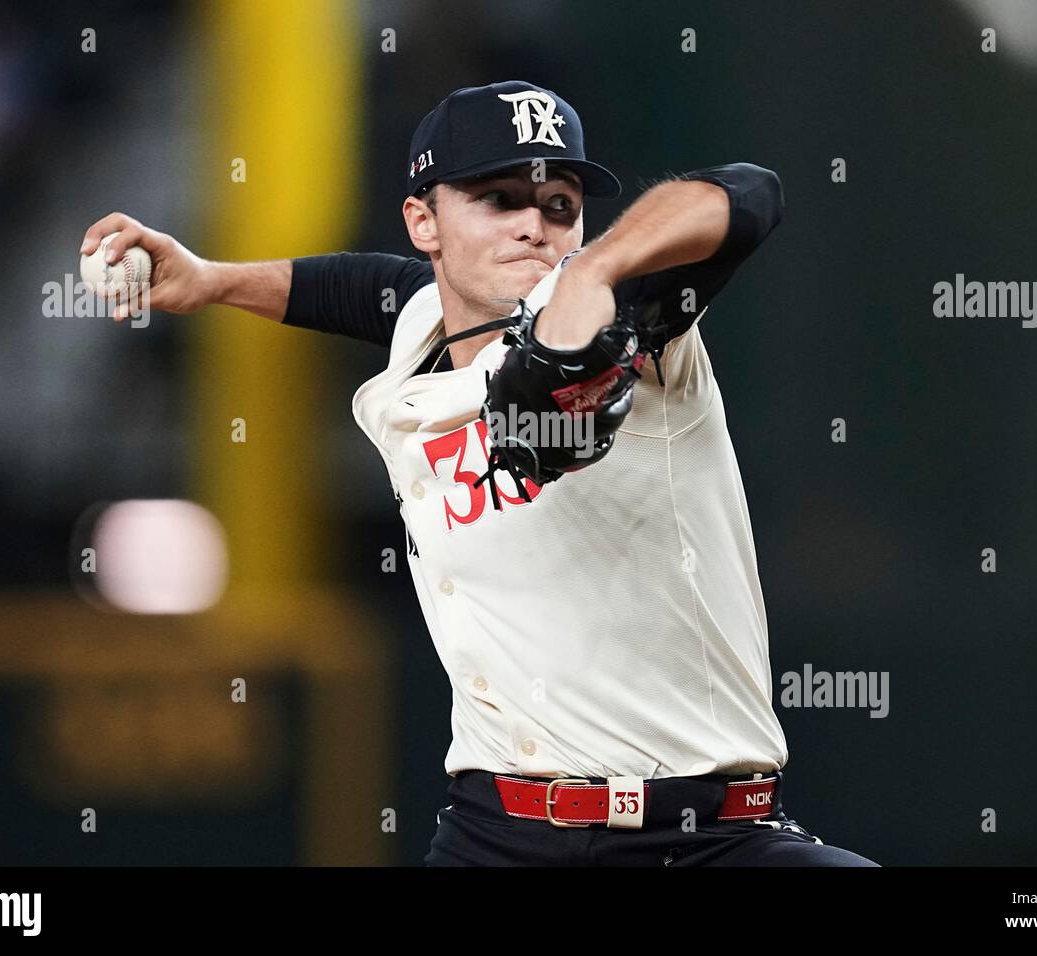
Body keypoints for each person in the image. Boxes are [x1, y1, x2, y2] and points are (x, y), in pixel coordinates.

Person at [79, 80, 879, 867]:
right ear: (423, 222)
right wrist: (213, 280)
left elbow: (748, 197)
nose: (535, 225)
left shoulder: (631, 317)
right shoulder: (423, 321)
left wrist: (591, 275)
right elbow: (360, 290)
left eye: (560, 203)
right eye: (498, 199)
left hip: (704, 837)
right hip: (497, 833)